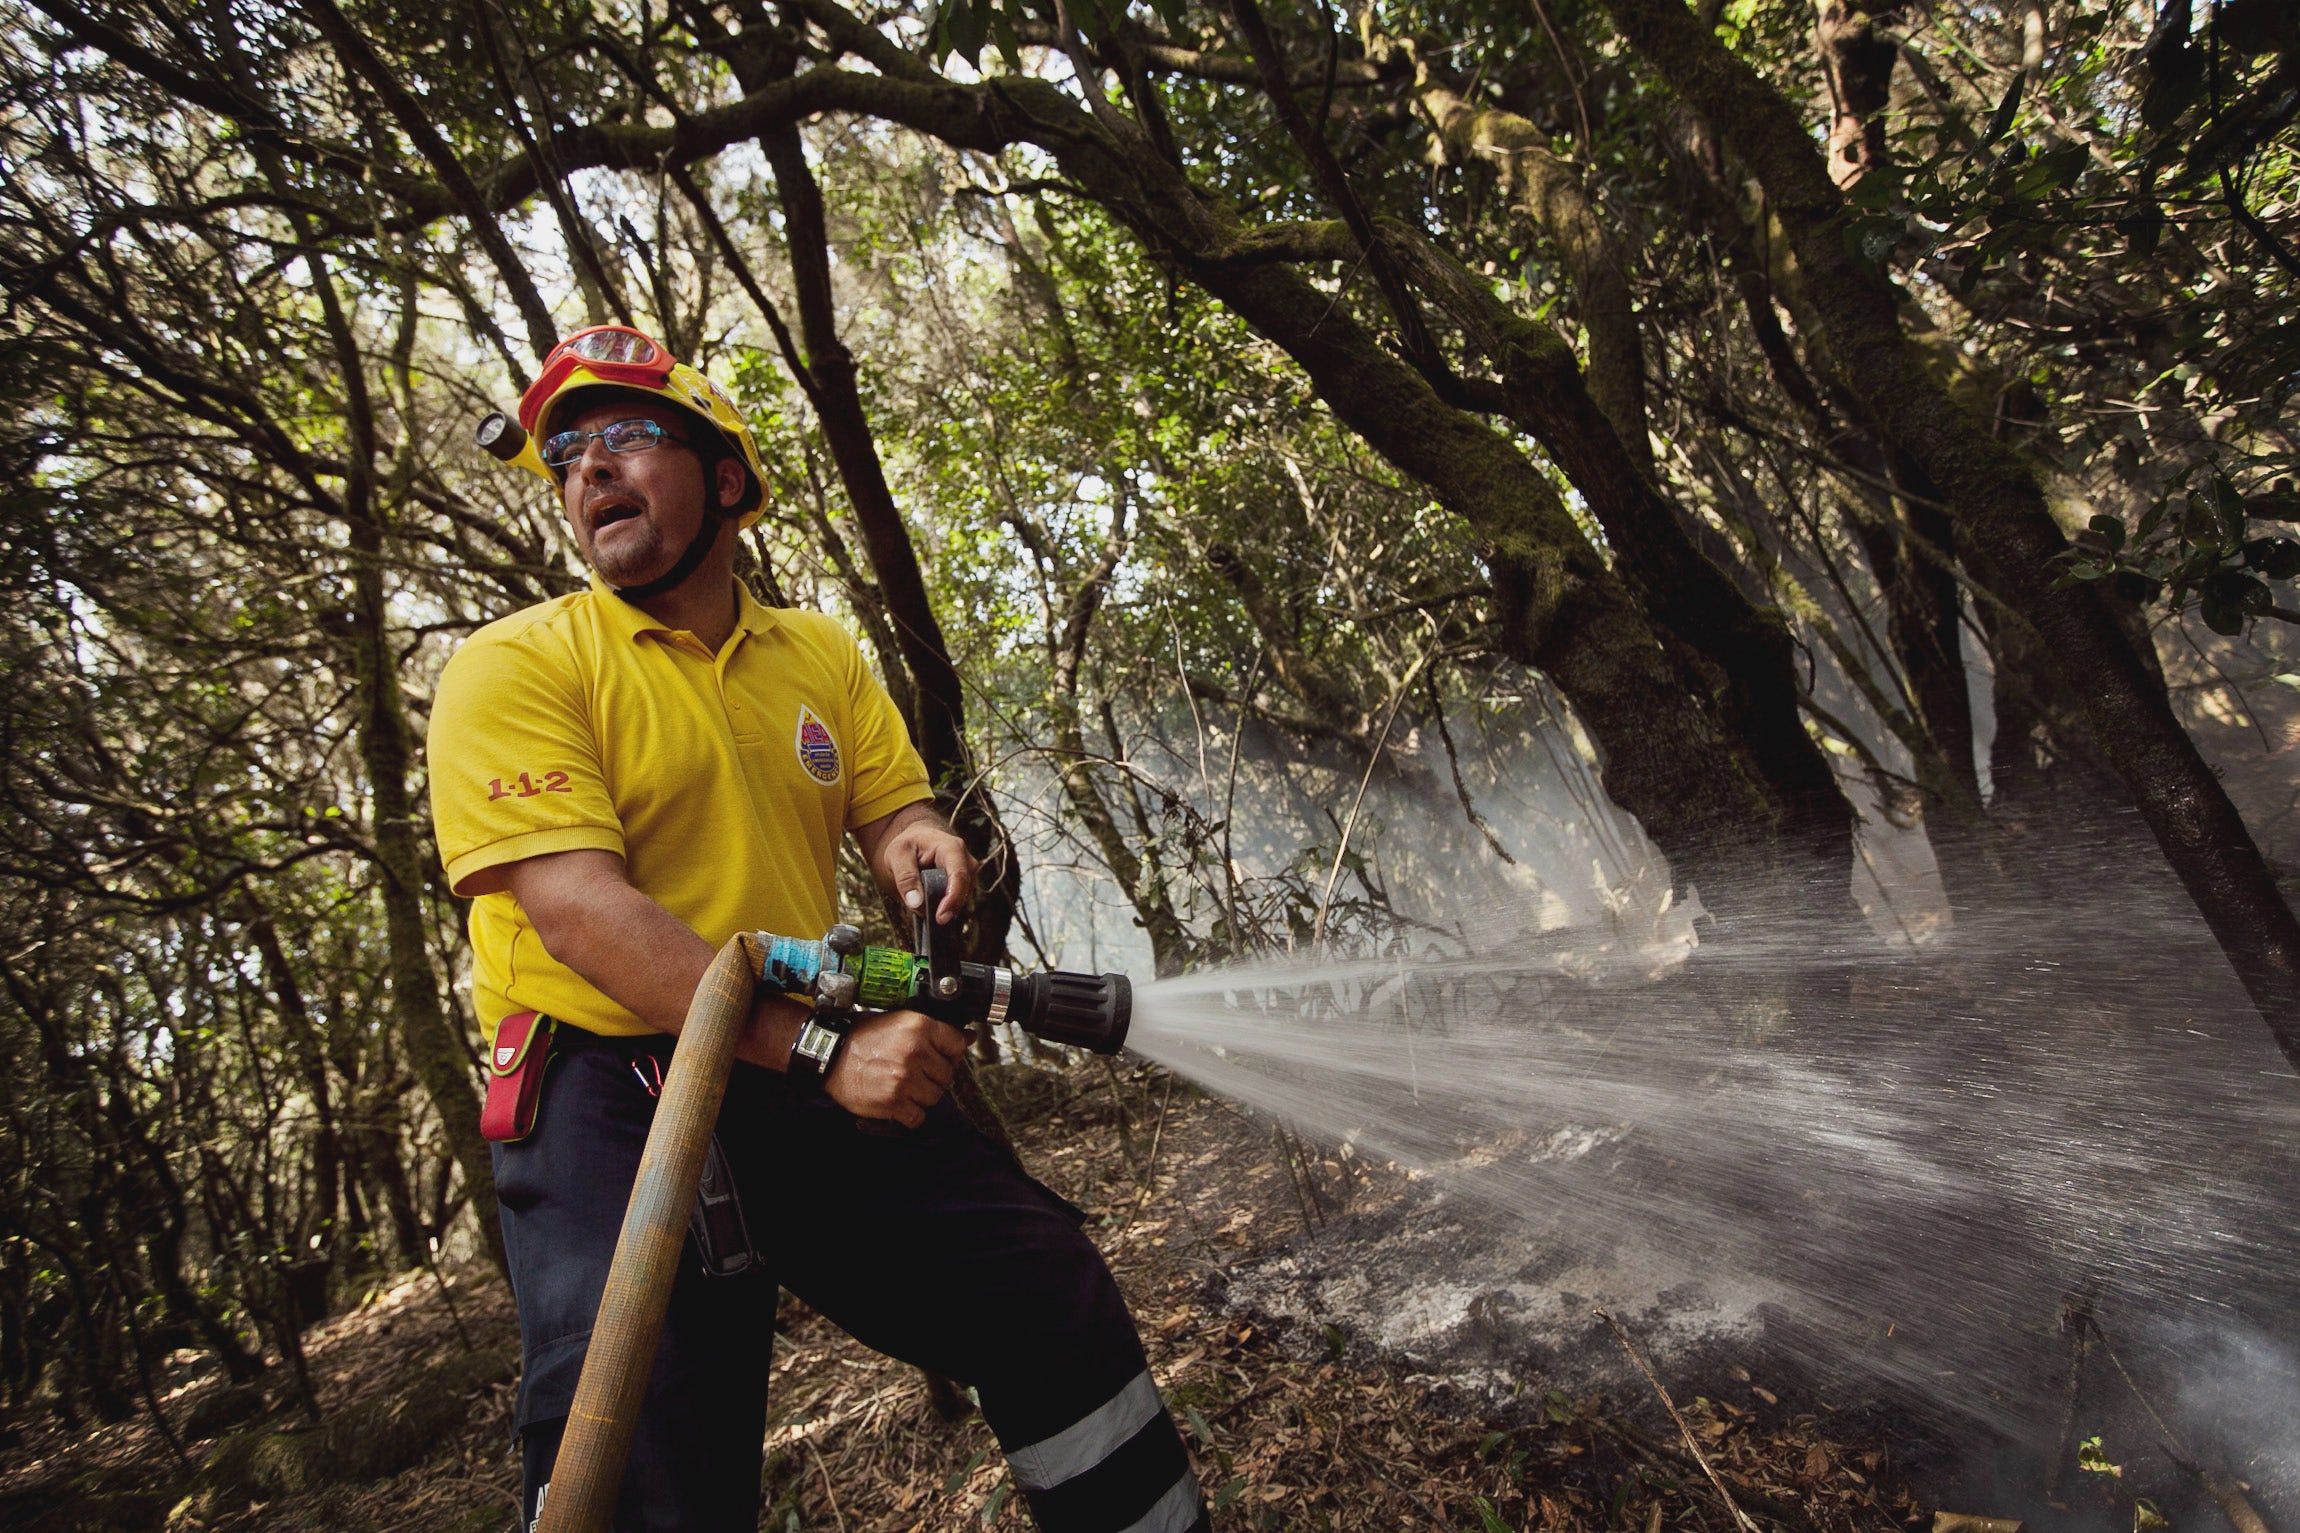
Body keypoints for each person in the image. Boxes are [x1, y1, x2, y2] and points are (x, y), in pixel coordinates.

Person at [429, 326, 1207, 1533]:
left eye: (627, 436)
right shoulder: (514, 667)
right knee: (638, 1450)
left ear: (725, 478)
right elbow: (582, 915)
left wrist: (922, 857)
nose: (590, 473)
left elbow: (892, 812)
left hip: (798, 1044)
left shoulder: (817, 652)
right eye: (569, 455)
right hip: (608, 1091)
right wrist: (827, 1053)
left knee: (1036, 1284)